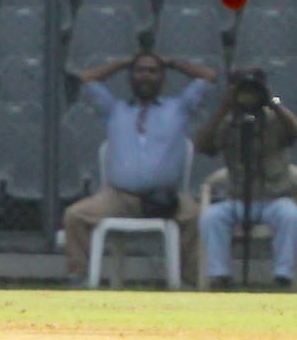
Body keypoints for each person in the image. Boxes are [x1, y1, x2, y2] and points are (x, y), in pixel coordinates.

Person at [62, 52, 218, 287]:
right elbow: (86, 79)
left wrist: (171, 62)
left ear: (162, 78)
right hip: (119, 198)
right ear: (131, 77)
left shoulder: (179, 108)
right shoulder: (114, 110)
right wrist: (123, 61)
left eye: (152, 71)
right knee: (74, 216)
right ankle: (79, 277)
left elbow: (209, 76)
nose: (145, 76)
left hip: (167, 199)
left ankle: (190, 282)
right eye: (140, 71)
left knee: (198, 218)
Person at [194, 67, 297, 290]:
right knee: (212, 217)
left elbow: (294, 131)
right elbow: (201, 145)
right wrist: (224, 108)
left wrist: (273, 102)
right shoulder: (228, 123)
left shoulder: (275, 120)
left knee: (290, 215)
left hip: (274, 198)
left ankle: (283, 276)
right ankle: (219, 276)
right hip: (238, 198)